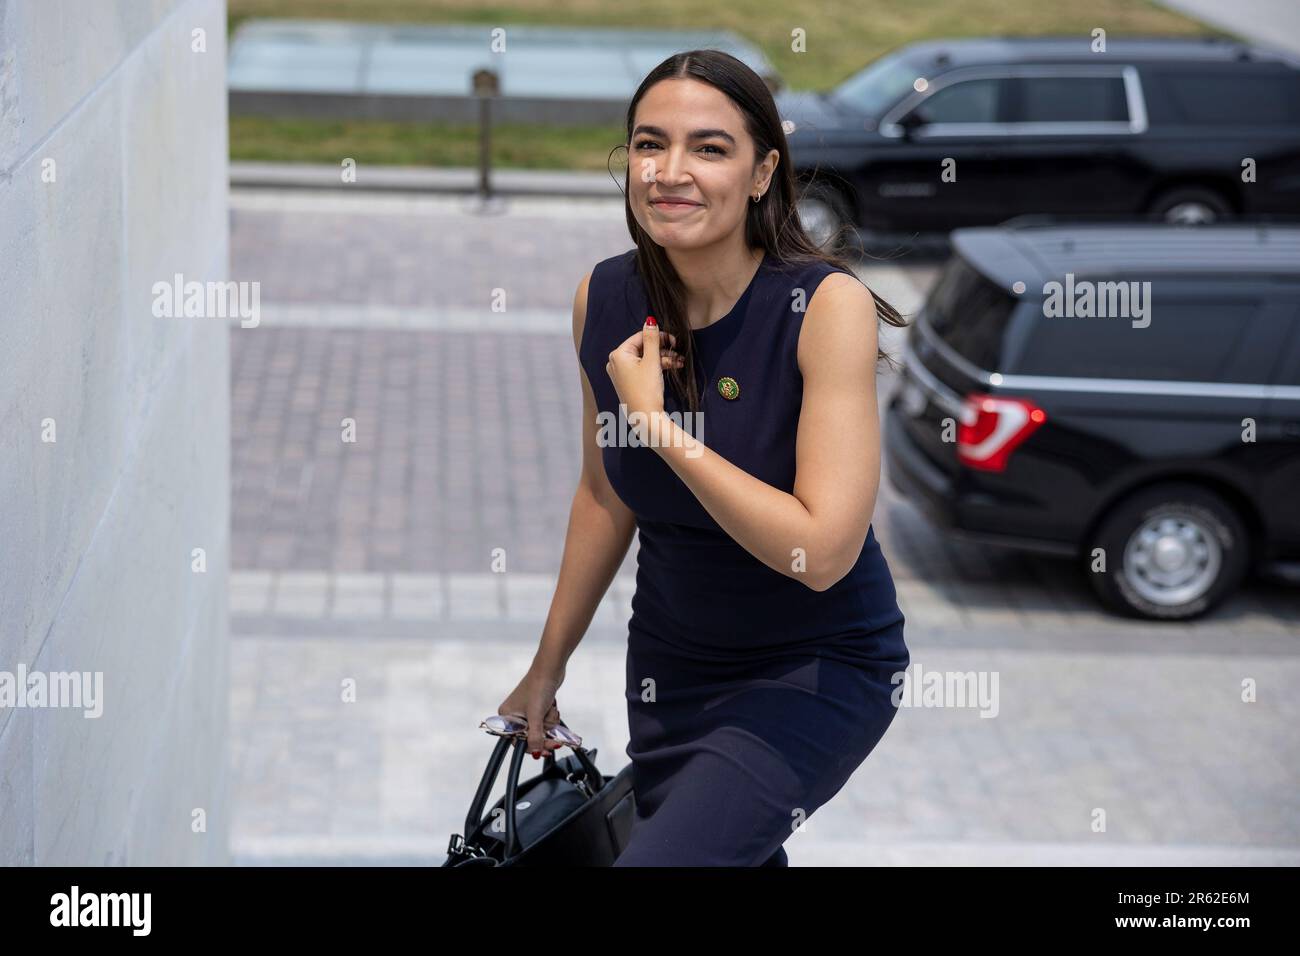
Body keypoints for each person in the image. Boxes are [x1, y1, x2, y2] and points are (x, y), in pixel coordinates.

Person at [497, 48, 910, 866]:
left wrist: (662, 429)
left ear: (763, 173)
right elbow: (604, 497)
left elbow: (821, 552)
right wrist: (546, 668)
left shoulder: (825, 307)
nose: (669, 172)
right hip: (672, 664)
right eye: (650, 145)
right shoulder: (605, 296)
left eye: (709, 148)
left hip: (814, 669)